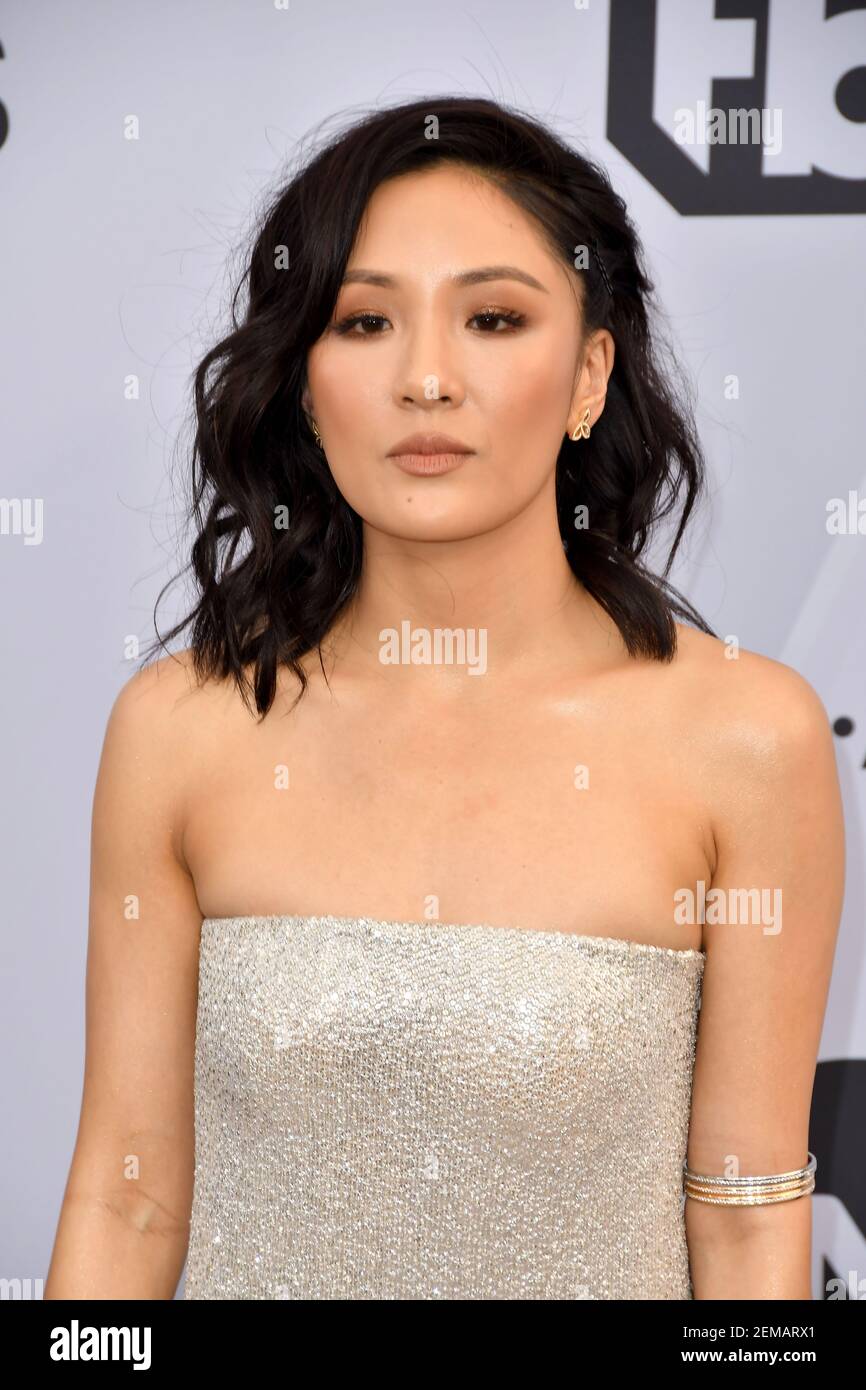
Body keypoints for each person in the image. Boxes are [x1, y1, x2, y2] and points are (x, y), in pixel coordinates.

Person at [45, 95, 844, 1300]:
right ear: (305, 383)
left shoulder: (744, 736)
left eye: (490, 318)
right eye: (364, 321)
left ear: (587, 376)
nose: (425, 379)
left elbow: (745, 1224)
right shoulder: (182, 729)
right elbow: (127, 1194)